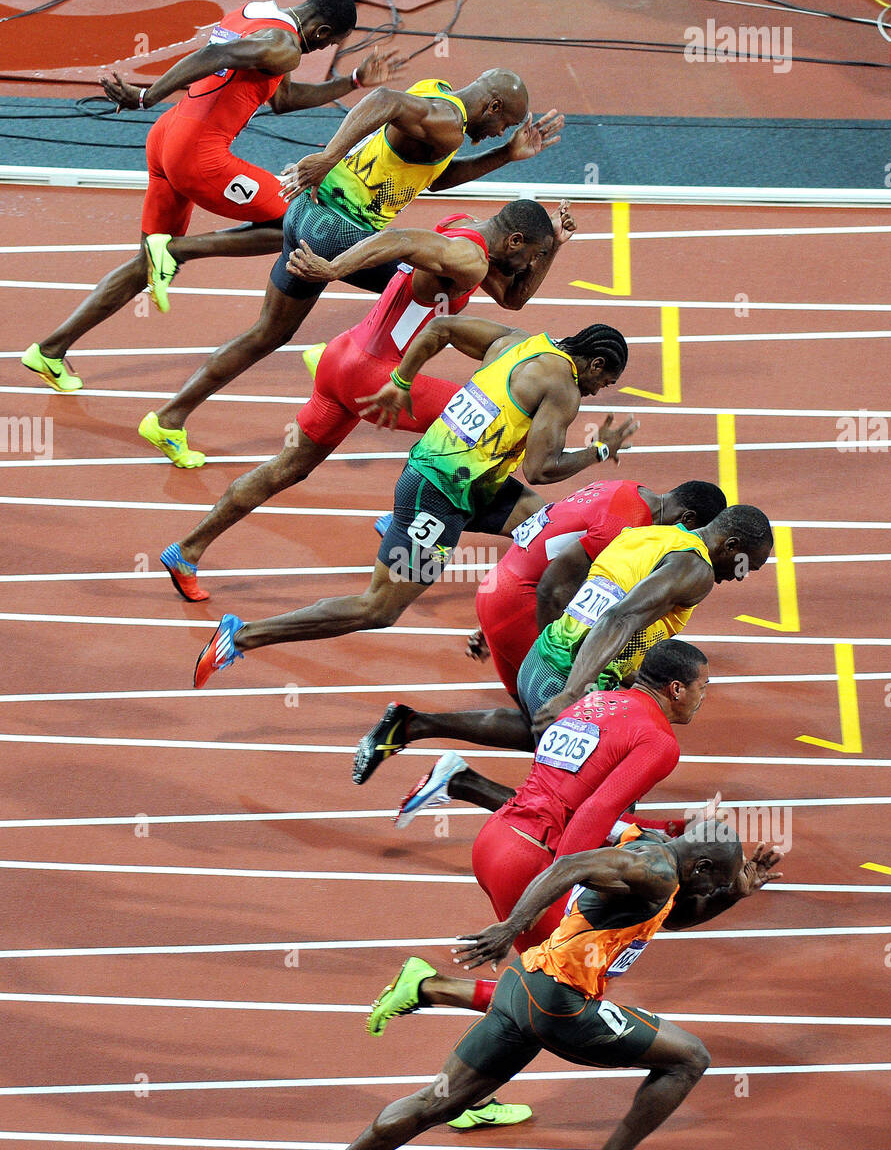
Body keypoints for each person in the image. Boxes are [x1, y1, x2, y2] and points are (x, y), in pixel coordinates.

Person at [285, 819, 783, 1150]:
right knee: (689, 1059)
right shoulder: (655, 870)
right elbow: (569, 865)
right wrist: (511, 927)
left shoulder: (659, 860)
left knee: (431, 1105)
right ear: (696, 867)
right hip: (561, 1005)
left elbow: (675, 914)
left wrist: (735, 893)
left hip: (522, 990)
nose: (712, 891)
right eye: (713, 882)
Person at [365, 638, 715, 1132]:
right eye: (704, 686)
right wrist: (567, 884)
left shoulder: (595, 702)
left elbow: (579, 799)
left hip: (498, 838)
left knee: (547, 987)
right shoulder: (660, 743)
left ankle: (464, 1085)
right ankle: (430, 990)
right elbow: (593, 812)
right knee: (562, 993)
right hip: (533, 857)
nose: (706, 696)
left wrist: (667, 829)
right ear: (677, 689)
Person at [158, 198, 577, 601]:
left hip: (342, 358)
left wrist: (554, 246)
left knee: (285, 469)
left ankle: (188, 549)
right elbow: (401, 240)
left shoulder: (462, 230)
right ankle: (407, 518)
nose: (529, 267)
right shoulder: (470, 259)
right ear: (515, 242)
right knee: (489, 420)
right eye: (533, 257)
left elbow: (514, 299)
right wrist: (332, 268)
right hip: (372, 375)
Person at [140, 69, 565, 464]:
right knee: (443, 279)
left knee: (267, 333)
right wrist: (328, 156)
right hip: (337, 231)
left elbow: (435, 177)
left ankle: (168, 419)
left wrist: (506, 154)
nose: (497, 133)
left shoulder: (435, 95)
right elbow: (381, 98)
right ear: (491, 107)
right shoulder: (448, 123)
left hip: (305, 213)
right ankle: (338, 352)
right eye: (503, 127)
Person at [190, 316, 631, 687]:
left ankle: (507, 627)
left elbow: (440, 328)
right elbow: (541, 469)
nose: (597, 392)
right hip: (438, 492)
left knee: (552, 531)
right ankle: (241, 635)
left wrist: (402, 380)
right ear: (594, 363)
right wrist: (600, 451)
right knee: (379, 608)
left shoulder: (519, 342)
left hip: (473, 480)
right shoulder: (564, 389)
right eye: (603, 382)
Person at [21, 0, 395, 394]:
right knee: (300, 221)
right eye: (332, 42)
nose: (328, 47)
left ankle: (50, 349)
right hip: (198, 154)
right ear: (321, 30)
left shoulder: (254, 14)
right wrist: (147, 95)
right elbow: (214, 58)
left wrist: (353, 81)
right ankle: (179, 252)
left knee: (147, 262)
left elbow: (284, 100)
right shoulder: (284, 45)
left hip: (168, 137)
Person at [352, 504, 773, 817]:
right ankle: (462, 783)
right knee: (588, 812)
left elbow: (565, 574)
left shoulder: (652, 535)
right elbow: (620, 616)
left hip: (545, 653)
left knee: (542, 736)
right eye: (746, 566)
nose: (741, 576)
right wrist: (574, 690)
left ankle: (413, 724)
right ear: (730, 545)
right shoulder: (695, 570)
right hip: (575, 678)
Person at [466, 476, 727, 697]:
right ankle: (434, 733)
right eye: (693, 536)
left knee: (535, 723)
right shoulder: (626, 526)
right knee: (576, 717)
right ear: (688, 519)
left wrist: (497, 615)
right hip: (522, 602)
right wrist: (558, 653)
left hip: (501, 587)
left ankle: (437, 738)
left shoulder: (623, 489)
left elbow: (549, 542)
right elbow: (554, 589)